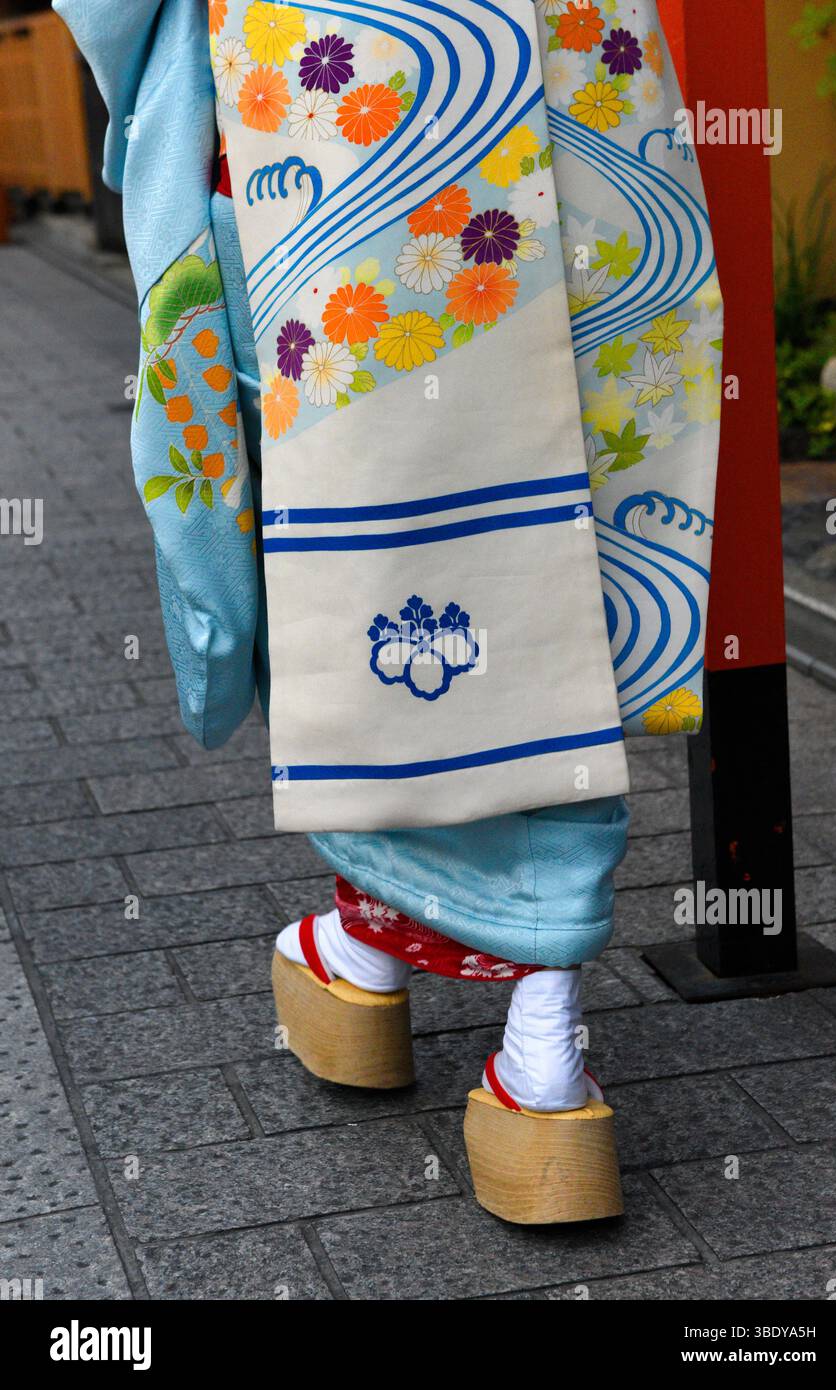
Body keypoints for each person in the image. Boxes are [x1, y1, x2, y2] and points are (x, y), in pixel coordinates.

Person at [56, 0, 721, 1224]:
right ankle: (526, 1042)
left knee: (362, 526)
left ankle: (439, 985)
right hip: (566, 59)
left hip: (342, 83)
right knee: (548, 513)